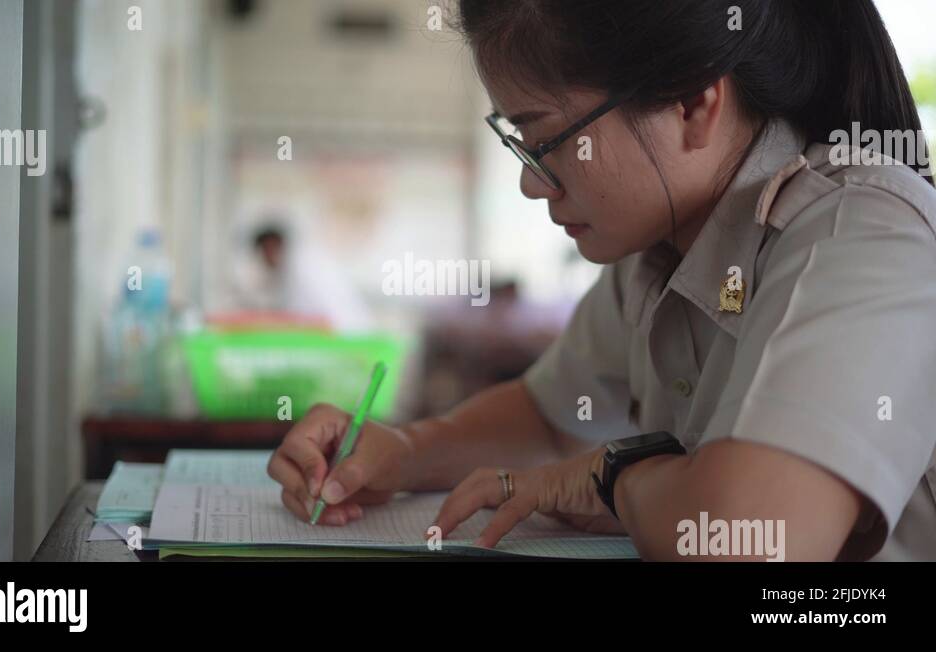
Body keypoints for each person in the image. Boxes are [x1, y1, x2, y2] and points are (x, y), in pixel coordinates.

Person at [267, 0, 936, 560]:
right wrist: (403, 451)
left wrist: (613, 477)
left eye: (546, 139)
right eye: (517, 141)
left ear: (692, 104)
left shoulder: (865, 230)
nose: (532, 183)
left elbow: (750, 538)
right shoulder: (661, 254)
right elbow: (552, 418)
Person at [232, 223, 374, 332]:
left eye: (262, 254)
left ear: (271, 247)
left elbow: (310, 318)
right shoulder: (299, 263)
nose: (264, 262)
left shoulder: (302, 267)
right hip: (346, 332)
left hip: (346, 335)